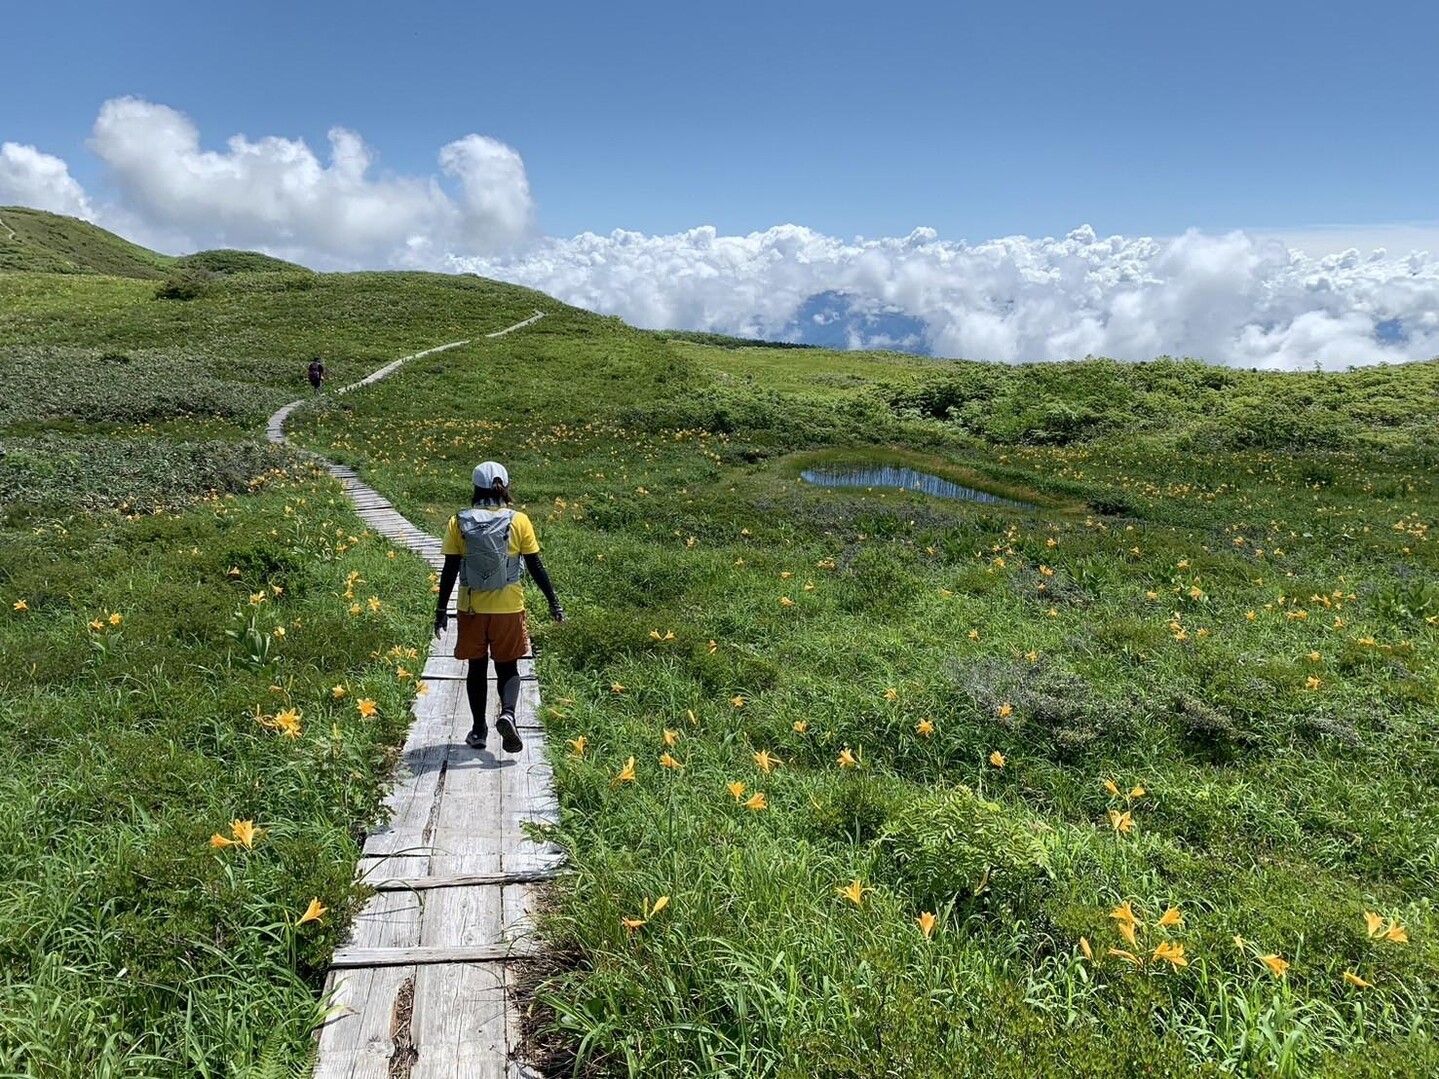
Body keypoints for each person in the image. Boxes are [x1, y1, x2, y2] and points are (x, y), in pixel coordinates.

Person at [433, 461, 564, 753]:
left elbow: (450, 570)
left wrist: (441, 611)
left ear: (475, 488)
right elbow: (536, 566)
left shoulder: (459, 521)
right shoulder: (519, 521)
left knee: (476, 668)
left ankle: (478, 730)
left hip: (471, 609)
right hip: (509, 608)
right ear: (504, 487)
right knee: (508, 667)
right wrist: (554, 603)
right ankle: (508, 713)